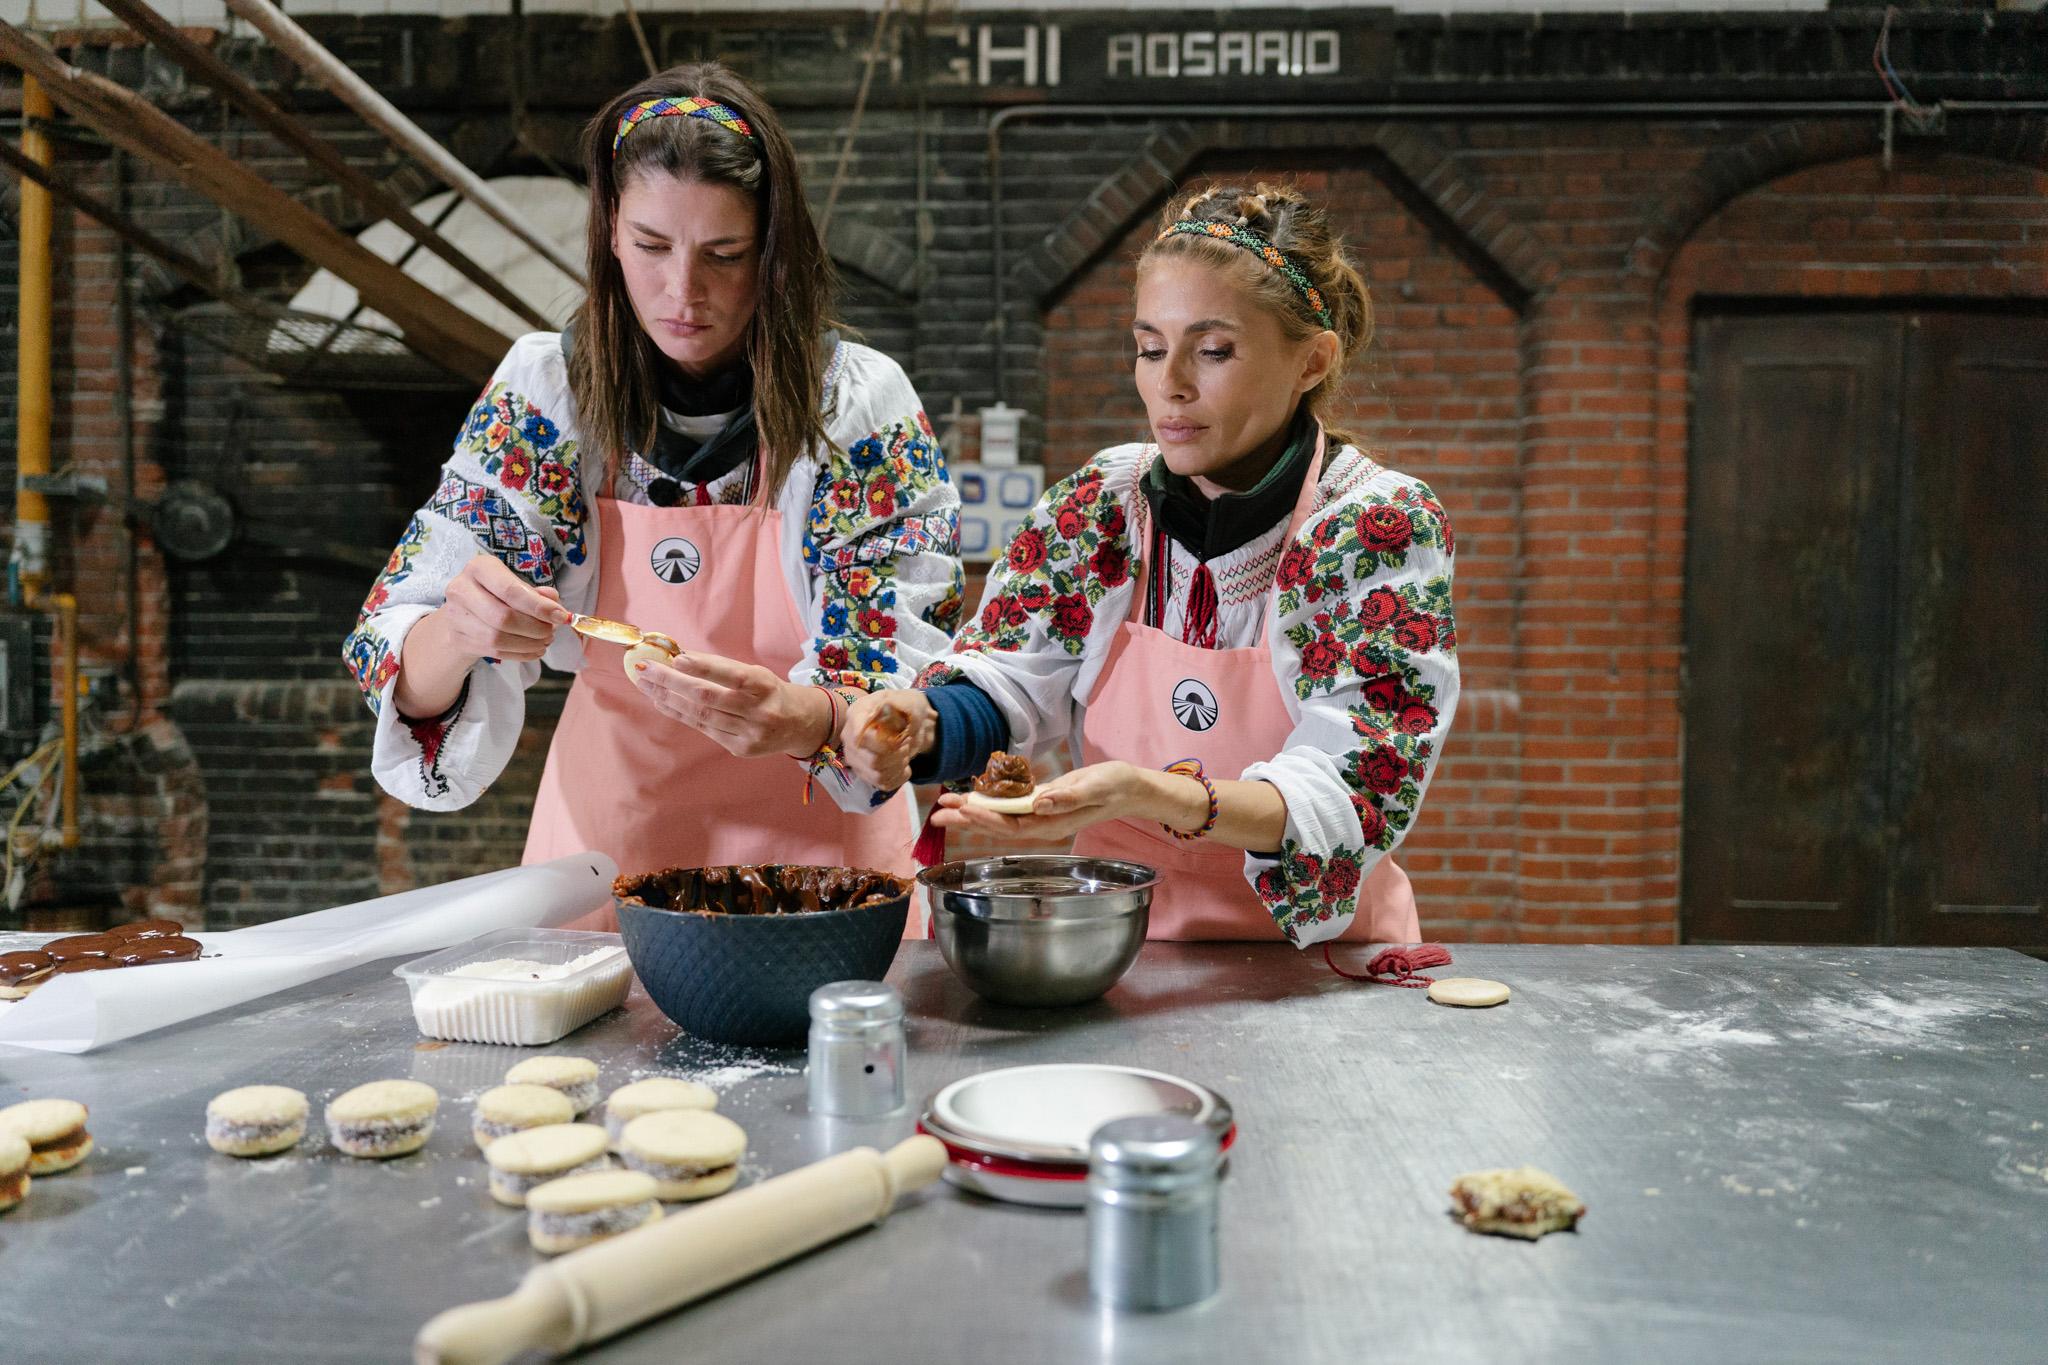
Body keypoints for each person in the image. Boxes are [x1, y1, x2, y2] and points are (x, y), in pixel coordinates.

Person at [343, 64, 962, 926]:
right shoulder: (546, 394)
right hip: (608, 857)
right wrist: (460, 629)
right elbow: (389, 651)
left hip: (828, 872)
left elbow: (897, 688)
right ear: (608, 234)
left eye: (725, 255)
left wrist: (804, 719)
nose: (684, 293)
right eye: (651, 246)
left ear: (773, 252)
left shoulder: (855, 405)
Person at [842, 182, 1457, 946]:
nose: (1170, 385)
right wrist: (918, 723)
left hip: (1316, 975)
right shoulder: (1102, 506)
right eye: (1150, 348)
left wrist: (1155, 791)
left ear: (1311, 360)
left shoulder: (1373, 527)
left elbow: (1360, 786)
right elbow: (1010, 679)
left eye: (1213, 350)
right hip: (1117, 954)